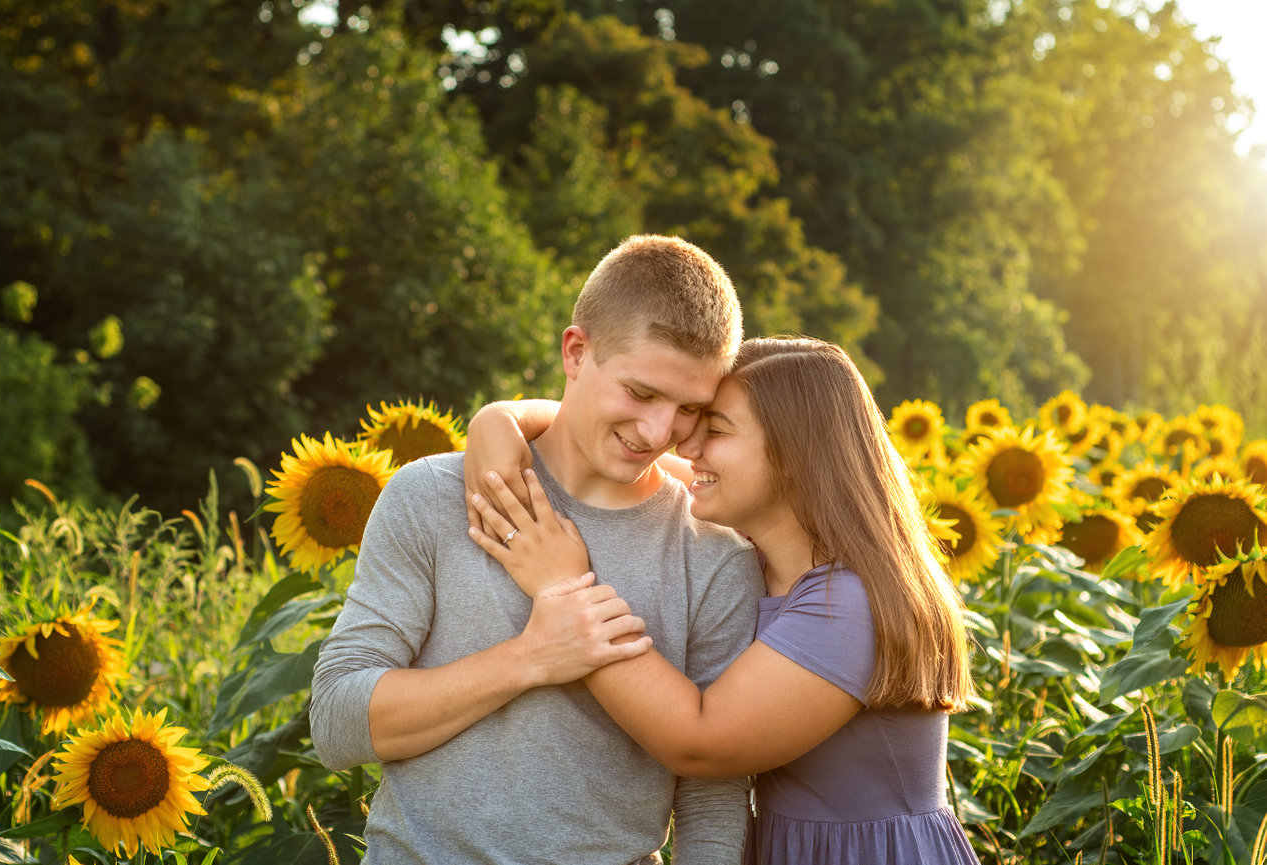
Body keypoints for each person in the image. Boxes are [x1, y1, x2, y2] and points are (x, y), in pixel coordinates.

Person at [309, 234, 765, 864]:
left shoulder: (716, 553)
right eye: (640, 393)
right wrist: (532, 657)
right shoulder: (433, 496)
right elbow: (336, 722)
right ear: (577, 352)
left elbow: (712, 791)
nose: (659, 432)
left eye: (690, 407)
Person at [466, 336, 981, 864]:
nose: (685, 447)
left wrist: (566, 589)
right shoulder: (776, 554)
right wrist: (497, 420)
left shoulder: (846, 604)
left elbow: (699, 741)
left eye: (715, 430)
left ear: (793, 455)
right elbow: (595, 435)